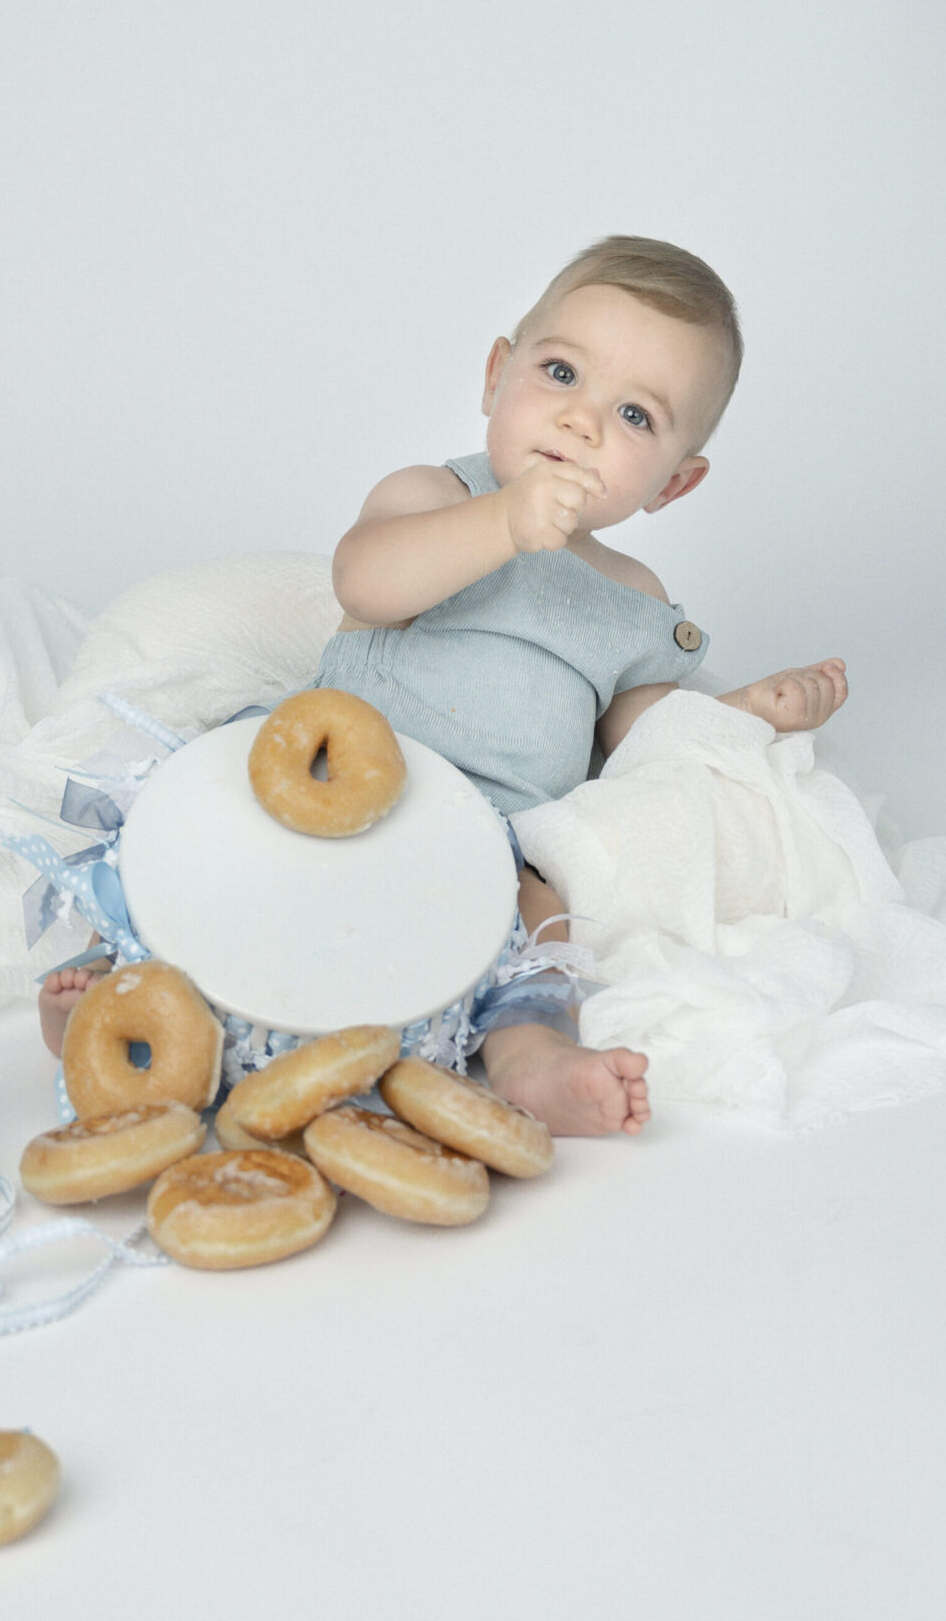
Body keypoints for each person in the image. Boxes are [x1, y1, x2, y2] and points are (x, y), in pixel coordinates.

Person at [307, 235, 847, 1138]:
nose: (582, 422)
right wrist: (501, 522)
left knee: (540, 917)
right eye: (560, 372)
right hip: (336, 767)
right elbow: (364, 582)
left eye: (634, 416)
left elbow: (646, 742)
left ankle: (530, 1060)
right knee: (205, 810)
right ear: (494, 377)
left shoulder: (629, 599)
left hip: (486, 837)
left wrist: (746, 712)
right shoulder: (435, 495)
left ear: (674, 483)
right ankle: (117, 978)